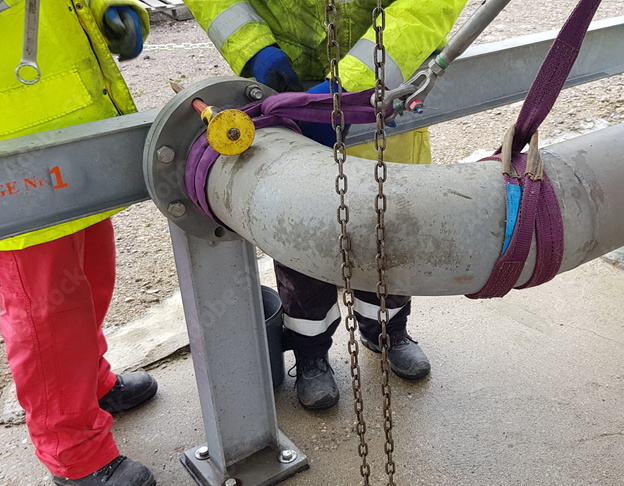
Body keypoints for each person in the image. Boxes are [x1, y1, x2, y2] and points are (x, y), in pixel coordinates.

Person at [184, 0, 467, 411]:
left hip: (380, 94)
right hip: (287, 96)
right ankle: (311, 355)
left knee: (388, 226)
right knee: (300, 236)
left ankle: (387, 330)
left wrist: (350, 84)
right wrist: (254, 49)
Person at [0, 2, 159, 485]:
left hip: (71, 125)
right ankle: (74, 452)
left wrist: (116, 9)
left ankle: (89, 385)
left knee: (91, 280)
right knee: (47, 316)